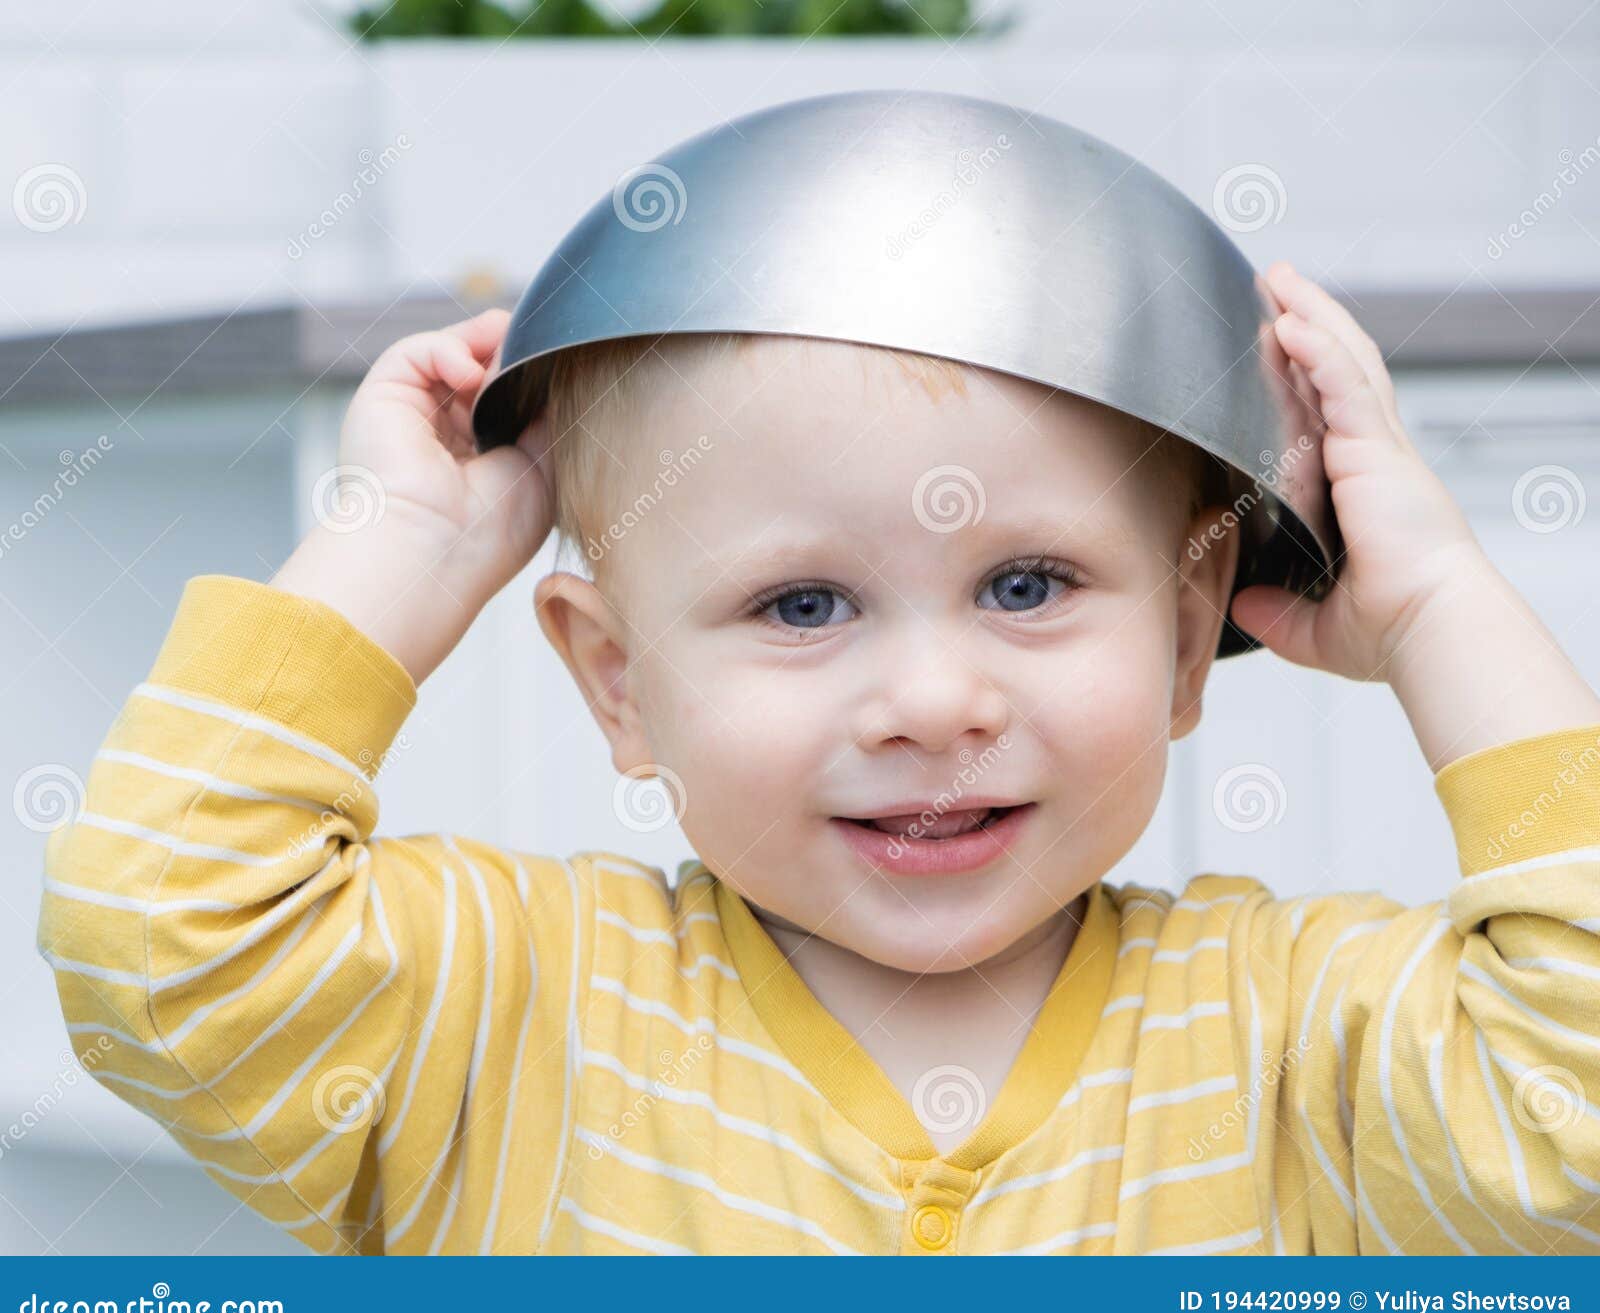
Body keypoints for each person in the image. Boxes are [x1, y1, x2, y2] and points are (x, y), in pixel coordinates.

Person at [36, 260, 1600, 1255]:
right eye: (802, 603)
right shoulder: (508, 1021)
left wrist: (1442, 608)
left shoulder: (1291, 1043)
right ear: (619, 680)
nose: (932, 698)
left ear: (1190, 640)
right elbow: (164, 938)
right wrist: (404, 551)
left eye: (1028, 584)